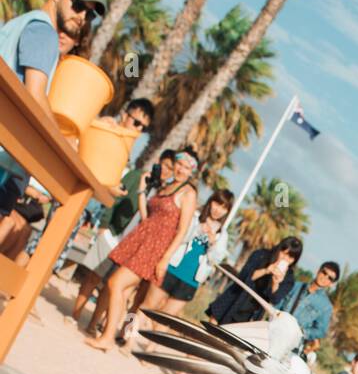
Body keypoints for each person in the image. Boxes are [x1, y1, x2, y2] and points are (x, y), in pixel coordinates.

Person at [0, 0, 105, 220]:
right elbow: (34, 94)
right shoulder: (44, 31)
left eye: (88, 14)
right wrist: (63, 146)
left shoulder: (24, 22)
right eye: (78, 5)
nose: (82, 17)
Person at [86, 147, 199, 353]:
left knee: (127, 292)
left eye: (186, 167)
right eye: (179, 164)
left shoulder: (188, 193)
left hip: (155, 249)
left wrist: (165, 258)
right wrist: (141, 190)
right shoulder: (166, 186)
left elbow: (182, 230)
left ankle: (117, 337)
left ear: (192, 171)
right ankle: (113, 334)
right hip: (141, 239)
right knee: (125, 291)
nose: (181, 169)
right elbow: (148, 216)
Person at [70, 99, 155, 322]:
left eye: (142, 127)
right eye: (135, 121)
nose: (136, 129)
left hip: (94, 210)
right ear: (125, 113)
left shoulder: (127, 153)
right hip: (78, 199)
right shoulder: (107, 127)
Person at [141, 189, 234, 319]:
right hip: (171, 268)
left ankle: (145, 338)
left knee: (166, 318)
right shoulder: (194, 216)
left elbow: (214, 260)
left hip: (191, 280)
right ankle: (127, 335)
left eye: (224, 208)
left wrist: (213, 243)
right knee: (147, 306)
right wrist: (198, 229)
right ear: (211, 201)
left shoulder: (223, 235)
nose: (218, 210)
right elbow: (181, 236)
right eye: (217, 204)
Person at [206, 236, 303, 327]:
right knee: (211, 330)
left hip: (250, 314)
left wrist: (276, 282)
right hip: (233, 300)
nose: (285, 259)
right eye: (284, 253)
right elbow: (244, 276)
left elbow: (275, 299)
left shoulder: (289, 278)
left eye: (290, 258)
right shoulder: (261, 255)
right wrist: (266, 270)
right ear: (279, 249)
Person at [279, 261, 339, 356]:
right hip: (275, 330)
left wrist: (302, 332)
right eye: (324, 272)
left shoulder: (326, 306)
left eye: (330, 278)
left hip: (291, 345)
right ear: (318, 271)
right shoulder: (296, 286)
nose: (325, 277)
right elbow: (279, 303)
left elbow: (321, 331)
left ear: (331, 284)